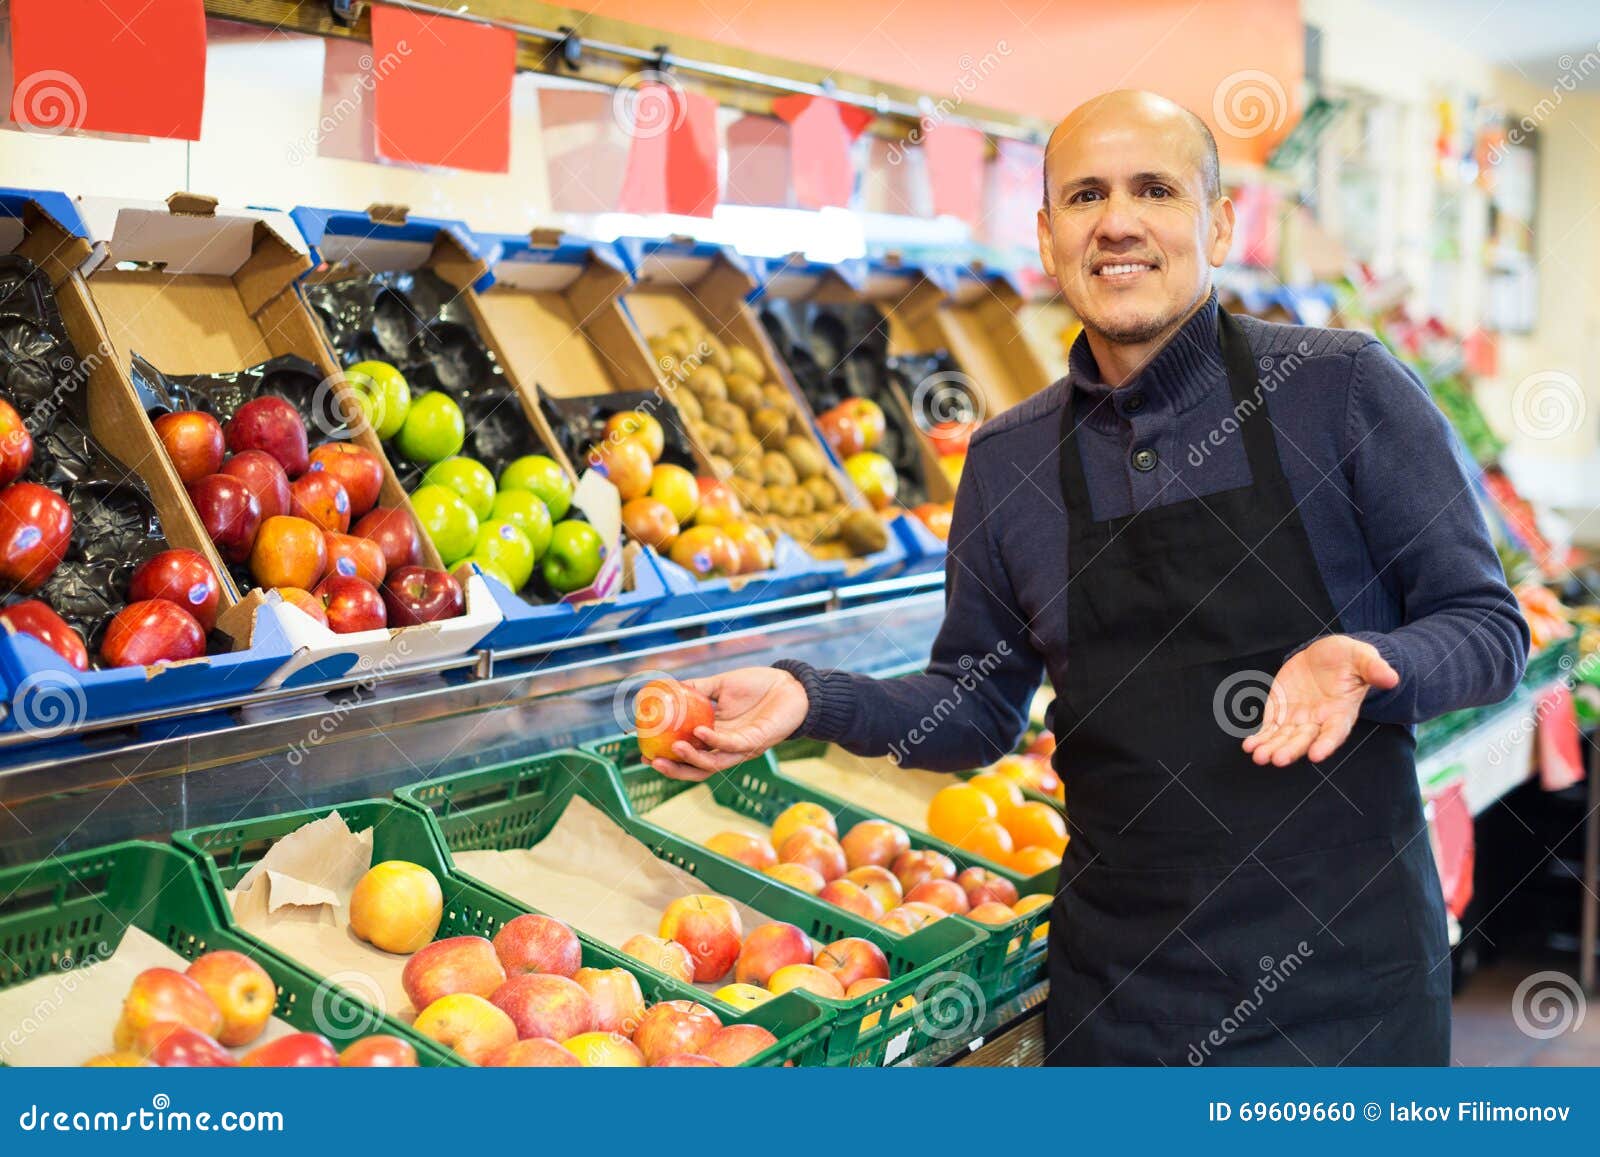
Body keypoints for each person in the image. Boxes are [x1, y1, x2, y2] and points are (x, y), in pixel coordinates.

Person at [647, 90, 1530, 1066]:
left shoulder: (1342, 388)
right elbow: (974, 707)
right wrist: (810, 694)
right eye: (1084, 195)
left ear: (1218, 221)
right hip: (1124, 999)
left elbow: (1488, 628)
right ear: (1047, 233)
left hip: (1343, 997)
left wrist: (1376, 660)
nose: (1117, 220)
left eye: (1154, 188)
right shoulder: (1007, 459)